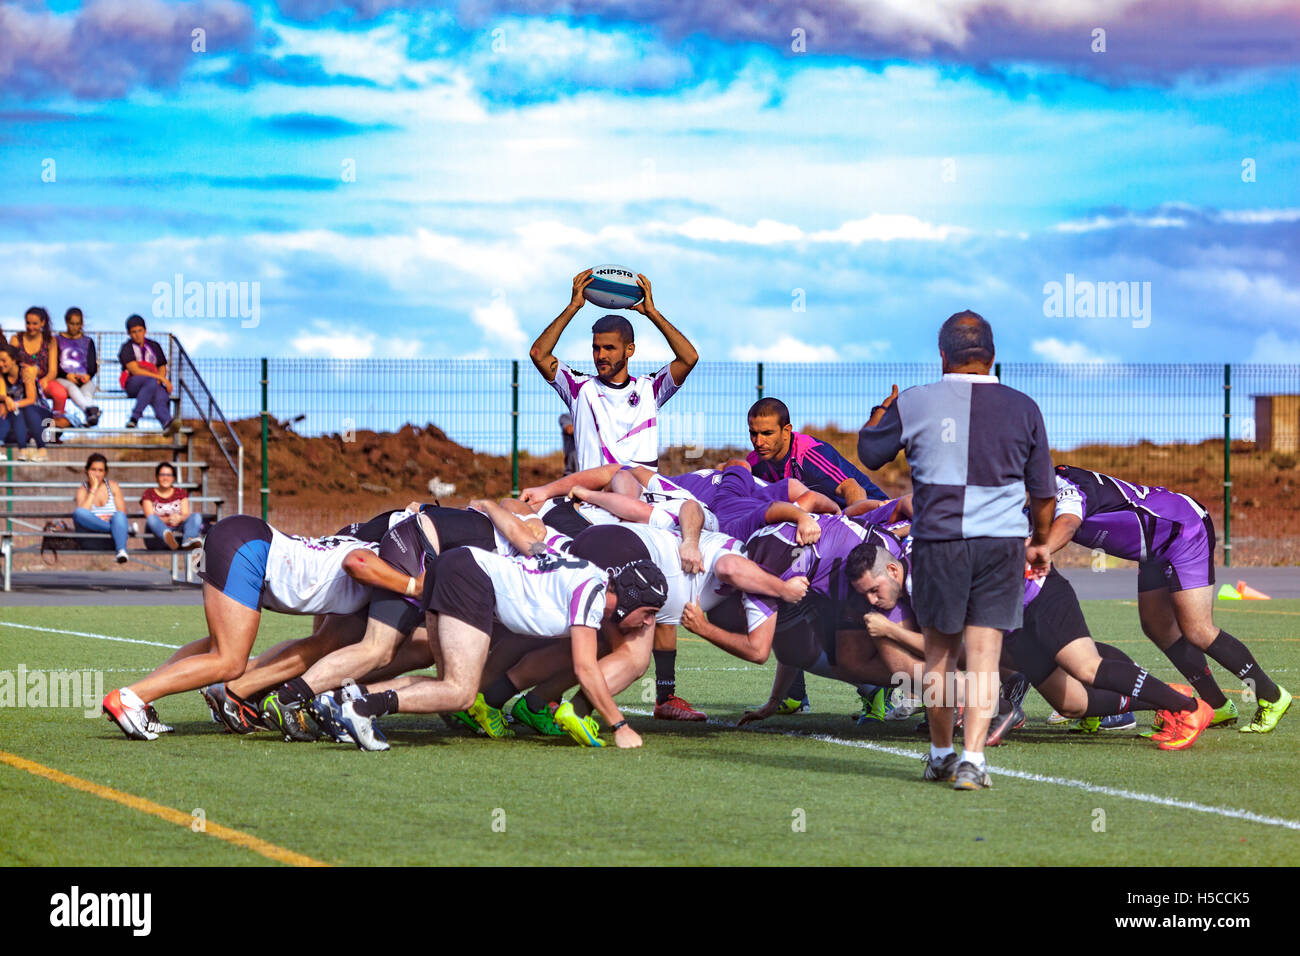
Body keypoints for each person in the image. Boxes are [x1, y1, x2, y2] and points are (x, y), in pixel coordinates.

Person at [858, 310, 1057, 790]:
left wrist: (880, 414)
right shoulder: (1024, 406)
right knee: (984, 656)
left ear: (942, 355)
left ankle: (941, 753)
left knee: (941, 655)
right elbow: (1044, 493)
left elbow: (868, 454)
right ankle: (974, 761)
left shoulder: (916, 401)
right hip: (1000, 545)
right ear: (992, 357)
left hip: (938, 544)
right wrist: (1041, 542)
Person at [101, 515, 418, 740]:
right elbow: (356, 564)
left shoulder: (361, 539)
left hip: (242, 539)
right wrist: (414, 586)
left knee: (218, 646)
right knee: (229, 660)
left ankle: (143, 699)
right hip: (248, 548)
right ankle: (129, 699)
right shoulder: (379, 554)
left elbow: (321, 635)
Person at [329, 548, 669, 751]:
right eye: (649, 613)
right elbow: (584, 667)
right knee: (461, 693)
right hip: (469, 576)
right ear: (632, 599)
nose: (647, 623)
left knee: (446, 685)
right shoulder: (593, 593)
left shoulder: (589, 577)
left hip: (455, 567)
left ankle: (340, 700)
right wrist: (620, 726)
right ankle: (363, 709)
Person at [1047, 464, 1291, 734]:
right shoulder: (1028, 502)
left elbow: (1067, 524)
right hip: (1154, 548)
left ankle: (1271, 695)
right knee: (1156, 625)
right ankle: (1216, 705)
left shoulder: (1064, 486)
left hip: (1183, 530)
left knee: (1198, 630)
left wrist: (1036, 553)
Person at [529, 268, 697, 472]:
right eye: (596, 348)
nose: (600, 356)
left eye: (609, 348)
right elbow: (539, 354)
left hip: (639, 499)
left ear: (629, 350)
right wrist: (573, 307)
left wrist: (653, 313)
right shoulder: (579, 388)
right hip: (594, 499)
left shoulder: (649, 389)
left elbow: (689, 358)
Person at [117, 315, 175, 432]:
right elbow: (135, 370)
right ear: (129, 333)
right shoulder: (126, 348)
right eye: (134, 332)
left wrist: (160, 379)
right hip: (133, 383)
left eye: (140, 331)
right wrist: (160, 379)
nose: (137, 334)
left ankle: (167, 422)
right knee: (152, 383)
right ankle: (135, 417)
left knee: (160, 393)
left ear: (145, 330)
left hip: (152, 384)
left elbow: (162, 366)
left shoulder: (154, 346)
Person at [10, 306, 64, 424]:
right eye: (28, 323)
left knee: (60, 393)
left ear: (42, 323)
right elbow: (11, 364)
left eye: (35, 323)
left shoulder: (50, 341)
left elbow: (53, 370)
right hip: (22, 381)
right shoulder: (16, 339)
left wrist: (43, 380)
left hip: (43, 380)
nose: (31, 327)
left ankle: (55, 430)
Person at [73, 453, 129, 562]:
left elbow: (122, 514)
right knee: (79, 513)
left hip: (112, 540)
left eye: (100, 470)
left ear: (105, 472)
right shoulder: (82, 490)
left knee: (119, 515)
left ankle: (121, 551)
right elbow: (83, 515)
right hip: (91, 539)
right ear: (86, 471)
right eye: (93, 470)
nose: (97, 474)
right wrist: (93, 489)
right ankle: (118, 530)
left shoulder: (113, 487)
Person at [0, 344, 51, 462]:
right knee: (14, 412)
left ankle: (42, 450)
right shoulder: (1, 374)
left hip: (38, 410)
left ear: (13, 360)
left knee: (26, 409)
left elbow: (31, 399)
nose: (0, 364)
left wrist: (12, 404)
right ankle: (22, 451)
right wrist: (7, 400)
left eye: (4, 360)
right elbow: (2, 394)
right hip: (17, 411)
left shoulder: (26, 371)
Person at [140, 462, 203, 551]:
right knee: (151, 519)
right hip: (157, 539)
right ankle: (168, 538)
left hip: (178, 535)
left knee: (196, 516)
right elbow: (149, 516)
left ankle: (188, 541)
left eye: (169, 475)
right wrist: (168, 519)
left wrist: (180, 518)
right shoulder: (148, 494)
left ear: (173, 478)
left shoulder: (180, 493)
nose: (165, 478)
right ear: (157, 477)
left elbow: (186, 514)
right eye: (162, 475)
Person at [55, 307, 100, 427]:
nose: (75, 327)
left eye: (77, 324)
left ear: (82, 324)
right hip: (64, 378)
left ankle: (90, 414)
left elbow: (92, 365)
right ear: (66, 322)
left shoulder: (88, 341)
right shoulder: (57, 340)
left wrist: (88, 375)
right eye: (72, 323)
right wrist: (66, 375)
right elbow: (54, 363)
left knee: (88, 392)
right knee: (72, 388)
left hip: (84, 378)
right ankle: (90, 412)